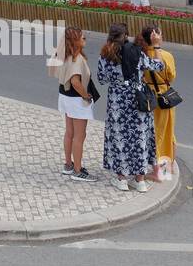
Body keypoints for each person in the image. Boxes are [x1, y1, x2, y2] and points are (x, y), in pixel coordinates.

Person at [96, 22, 165, 192]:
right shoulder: (137, 52)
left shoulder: (104, 55)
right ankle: (140, 180)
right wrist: (156, 46)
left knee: (120, 138)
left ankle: (121, 179)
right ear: (126, 35)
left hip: (117, 103)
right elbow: (159, 66)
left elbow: (102, 80)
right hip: (137, 100)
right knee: (139, 138)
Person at [51, 27, 95, 181]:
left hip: (64, 96)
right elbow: (76, 82)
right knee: (79, 135)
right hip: (77, 100)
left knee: (69, 132)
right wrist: (86, 96)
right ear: (74, 41)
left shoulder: (63, 55)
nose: (85, 38)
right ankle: (77, 170)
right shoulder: (77, 60)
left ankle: (68, 165)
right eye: (82, 37)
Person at [140, 25, 178, 181]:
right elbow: (172, 76)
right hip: (164, 95)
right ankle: (165, 168)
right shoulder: (166, 56)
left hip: (147, 95)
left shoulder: (141, 55)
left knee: (153, 131)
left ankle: (159, 168)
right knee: (166, 131)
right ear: (156, 37)